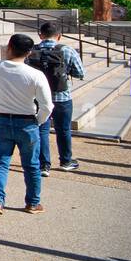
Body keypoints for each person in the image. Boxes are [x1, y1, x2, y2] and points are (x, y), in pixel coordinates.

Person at [0, 33, 53, 218]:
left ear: (9, 47)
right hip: (27, 122)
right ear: (29, 52)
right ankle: (32, 203)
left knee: (0, 162)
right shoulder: (36, 75)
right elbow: (47, 106)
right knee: (31, 165)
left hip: (0, 120)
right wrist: (38, 121)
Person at [31, 20, 84, 174]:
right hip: (62, 97)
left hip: (39, 98)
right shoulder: (67, 50)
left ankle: (43, 165)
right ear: (59, 36)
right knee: (64, 130)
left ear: (40, 35)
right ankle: (66, 161)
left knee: (42, 130)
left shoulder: (32, 50)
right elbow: (80, 73)